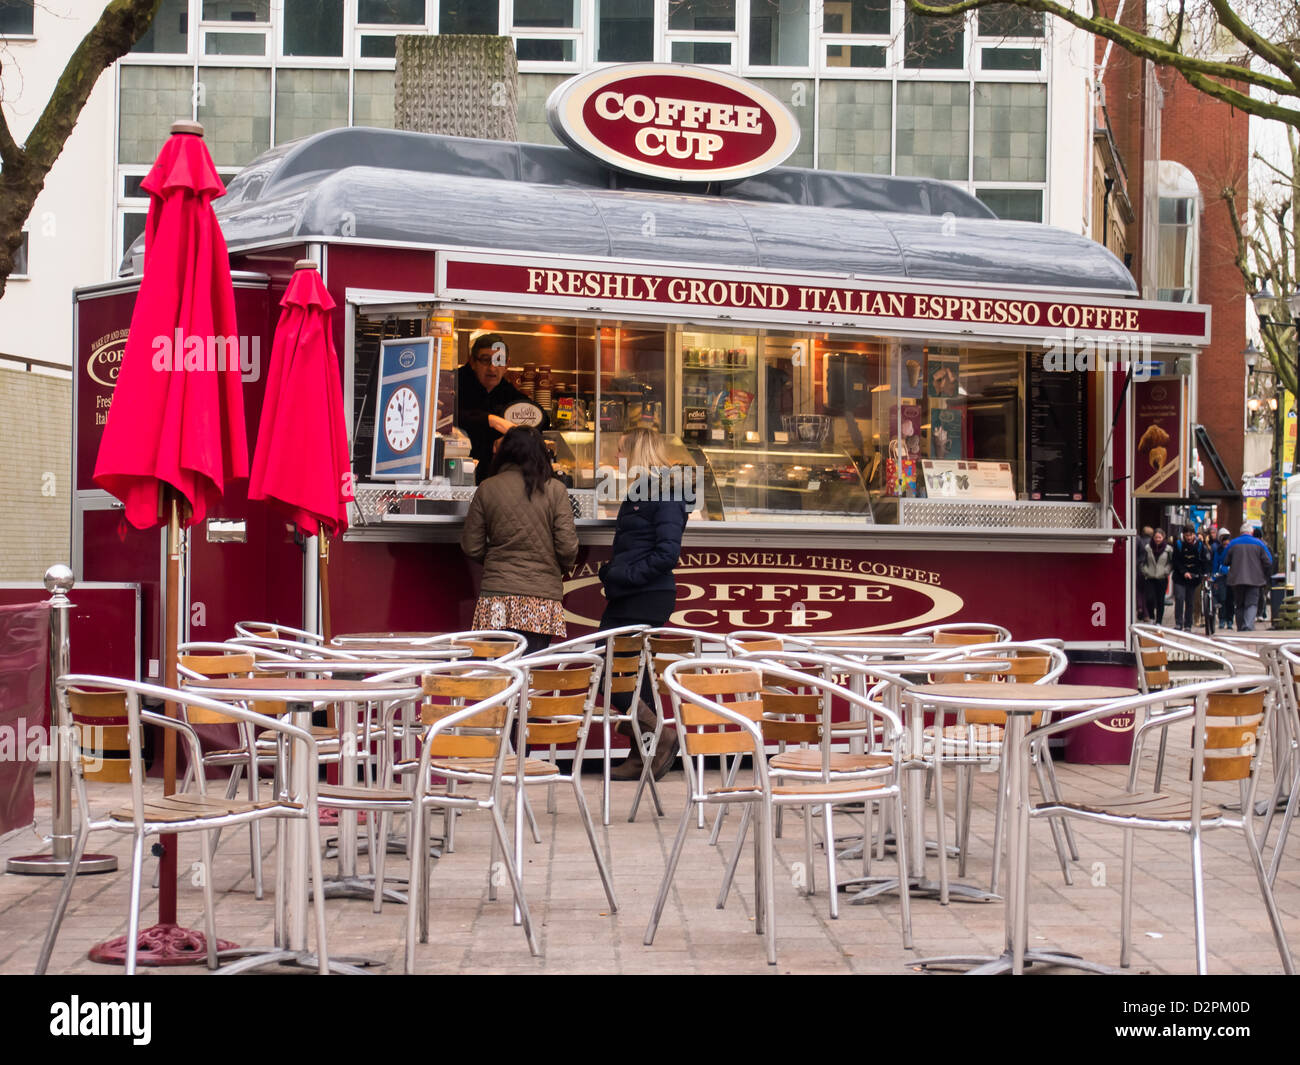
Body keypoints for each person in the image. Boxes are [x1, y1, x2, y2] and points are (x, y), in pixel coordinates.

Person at [598, 427, 688, 781]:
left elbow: (668, 552)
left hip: (645, 595)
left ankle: (660, 736)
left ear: (637, 453)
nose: (618, 458)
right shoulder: (642, 490)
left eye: (622, 451)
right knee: (635, 678)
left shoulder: (666, 491)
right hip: (632, 593)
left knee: (607, 668)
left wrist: (624, 575)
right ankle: (643, 752)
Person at [460, 426, 577, 656]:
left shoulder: (488, 487)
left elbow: (471, 545)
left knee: (499, 675)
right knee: (529, 672)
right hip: (540, 598)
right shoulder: (555, 490)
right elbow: (567, 547)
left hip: (497, 595)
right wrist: (554, 568)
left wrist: (498, 564)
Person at [456, 333, 550, 484]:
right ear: (472, 362)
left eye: (498, 361)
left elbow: (541, 419)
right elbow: (449, 414)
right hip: (455, 475)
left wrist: (513, 437)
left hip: (496, 479)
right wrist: (490, 420)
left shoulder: (506, 391)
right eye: (486, 360)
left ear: (507, 364)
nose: (492, 368)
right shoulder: (455, 382)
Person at [1225, 522, 1274, 632]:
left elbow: (1225, 560)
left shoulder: (1232, 543)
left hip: (1236, 580)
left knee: (1239, 604)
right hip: (1254, 580)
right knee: (1251, 604)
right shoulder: (1259, 544)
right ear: (1251, 532)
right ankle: (1247, 625)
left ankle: (1240, 626)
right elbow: (1269, 561)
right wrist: (1263, 572)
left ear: (1240, 532)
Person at [1170, 525, 1208, 631]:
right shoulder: (1179, 544)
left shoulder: (1200, 545)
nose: (1189, 538)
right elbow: (1176, 561)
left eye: (1190, 535)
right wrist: (1184, 572)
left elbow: (1203, 561)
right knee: (1179, 598)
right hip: (1180, 577)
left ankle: (1188, 624)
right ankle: (1179, 623)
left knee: (1190, 601)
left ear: (1194, 534)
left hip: (1194, 578)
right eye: (1187, 535)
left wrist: (1203, 574)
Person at [1139, 528, 1173, 625]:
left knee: (1160, 600)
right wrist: (1145, 571)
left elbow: (1171, 563)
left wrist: (1166, 571)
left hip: (1162, 577)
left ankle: (1159, 620)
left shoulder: (1168, 549)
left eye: (1160, 537)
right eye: (1156, 537)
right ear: (1153, 537)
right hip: (1150, 577)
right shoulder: (1147, 548)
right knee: (1149, 598)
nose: (1158, 539)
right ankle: (1151, 617)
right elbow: (1142, 562)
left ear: (1163, 537)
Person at [1210, 529, 1233, 630]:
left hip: (1231, 577)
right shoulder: (1218, 551)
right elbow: (1215, 564)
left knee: (1230, 600)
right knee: (1222, 599)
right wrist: (1214, 577)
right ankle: (1222, 619)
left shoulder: (1232, 549)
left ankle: (1230, 620)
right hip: (1221, 577)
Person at [1135, 525, 1153, 621]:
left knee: (1139, 590)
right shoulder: (1152, 543)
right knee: (1147, 592)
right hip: (1150, 570)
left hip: (1139, 568)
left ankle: (1140, 607)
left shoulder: (1139, 540)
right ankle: (1147, 613)